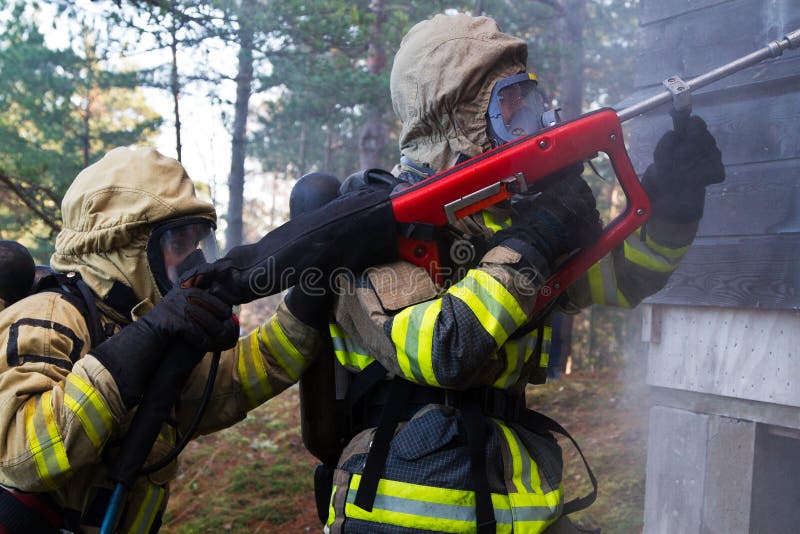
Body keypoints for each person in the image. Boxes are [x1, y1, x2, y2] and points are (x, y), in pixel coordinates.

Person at [295, 13, 724, 533]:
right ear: (455, 118)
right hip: (400, 508)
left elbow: (624, 277)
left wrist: (672, 198)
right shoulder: (379, 229)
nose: (534, 119)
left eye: (531, 98)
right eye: (509, 104)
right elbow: (441, 348)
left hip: (513, 502)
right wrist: (536, 240)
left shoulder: (505, 223)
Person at [0, 147, 355, 533]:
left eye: (198, 241)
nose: (195, 260)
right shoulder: (52, 316)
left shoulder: (152, 324)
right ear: (124, 247)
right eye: (179, 243)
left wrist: (308, 297)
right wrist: (135, 349)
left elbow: (240, 378)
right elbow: (22, 456)